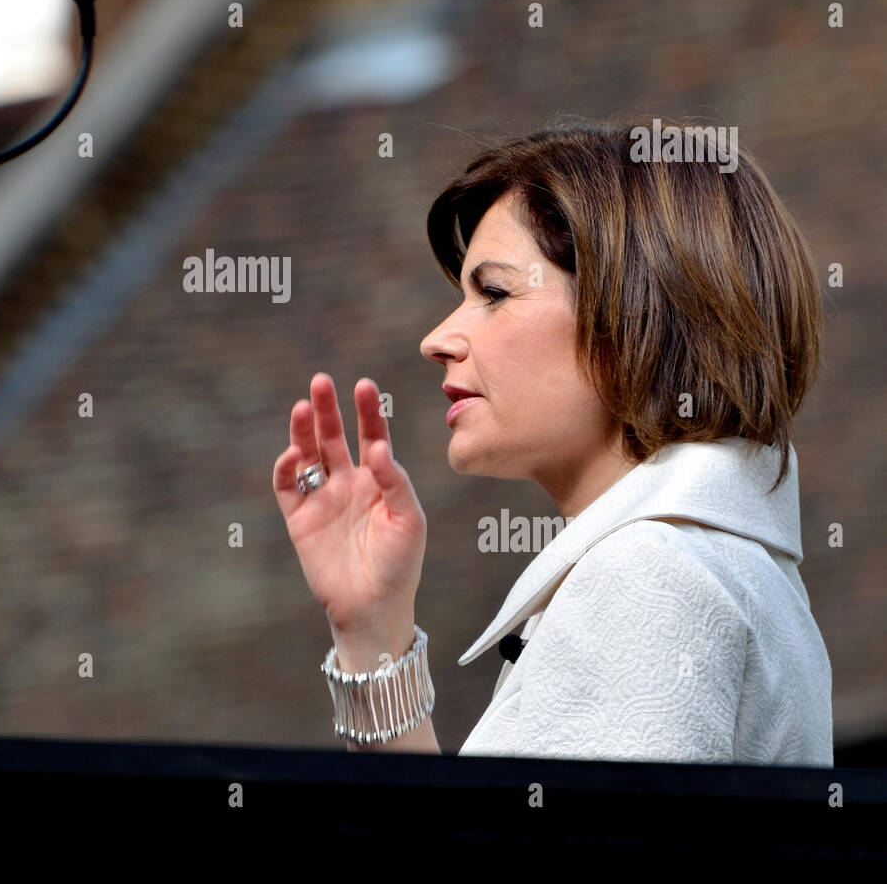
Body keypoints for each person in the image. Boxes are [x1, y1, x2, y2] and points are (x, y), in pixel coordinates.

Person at [271, 119, 834, 764]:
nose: (436, 340)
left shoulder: (650, 575)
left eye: (494, 292)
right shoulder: (717, 565)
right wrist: (373, 630)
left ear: (632, 311)